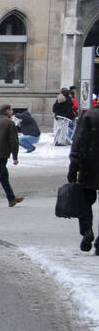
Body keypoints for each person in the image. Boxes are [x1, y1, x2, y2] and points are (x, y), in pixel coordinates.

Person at [67, 103, 99, 254]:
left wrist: (73, 169)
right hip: (90, 165)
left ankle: (87, 231)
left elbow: (78, 143)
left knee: (85, 200)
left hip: (89, 167)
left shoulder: (88, 116)